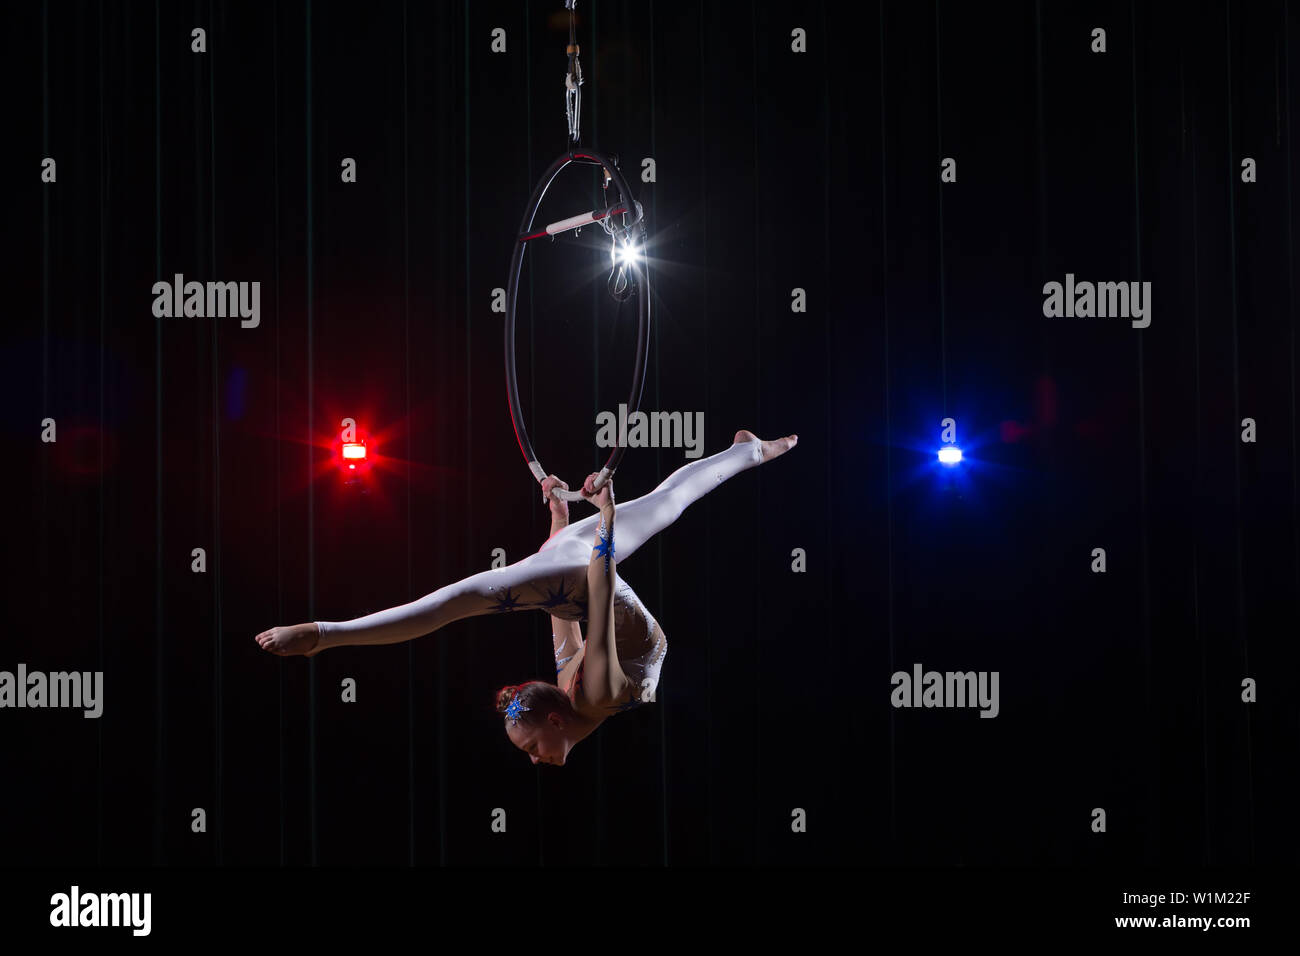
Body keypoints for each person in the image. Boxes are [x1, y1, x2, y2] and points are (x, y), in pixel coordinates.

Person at [254, 429, 797, 765]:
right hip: (571, 567)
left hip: (582, 571)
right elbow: (569, 624)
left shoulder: (595, 698)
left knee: (449, 605)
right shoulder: (569, 686)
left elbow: (601, 597)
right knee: (668, 502)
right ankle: (747, 451)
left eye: (530, 748)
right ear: (553, 718)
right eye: (531, 749)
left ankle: (325, 635)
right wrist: (565, 521)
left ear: (555, 721)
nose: (534, 759)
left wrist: (602, 516)